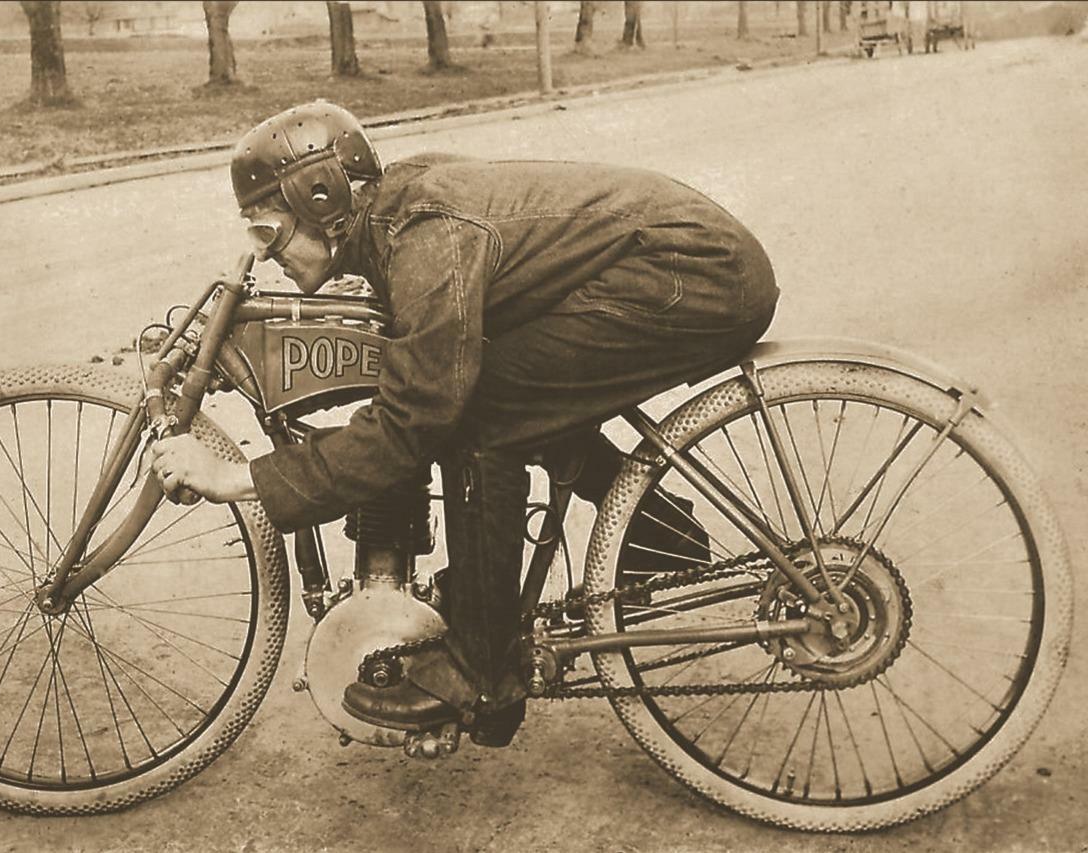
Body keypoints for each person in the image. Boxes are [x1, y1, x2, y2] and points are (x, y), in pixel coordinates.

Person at [150, 101, 778, 746]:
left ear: (322, 198)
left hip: (694, 278)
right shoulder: (400, 213)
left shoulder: (424, 234)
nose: (263, 255)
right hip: (684, 263)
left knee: (475, 417)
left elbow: (410, 424)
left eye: (267, 232)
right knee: (495, 384)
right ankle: (659, 539)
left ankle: (480, 671)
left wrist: (240, 478)